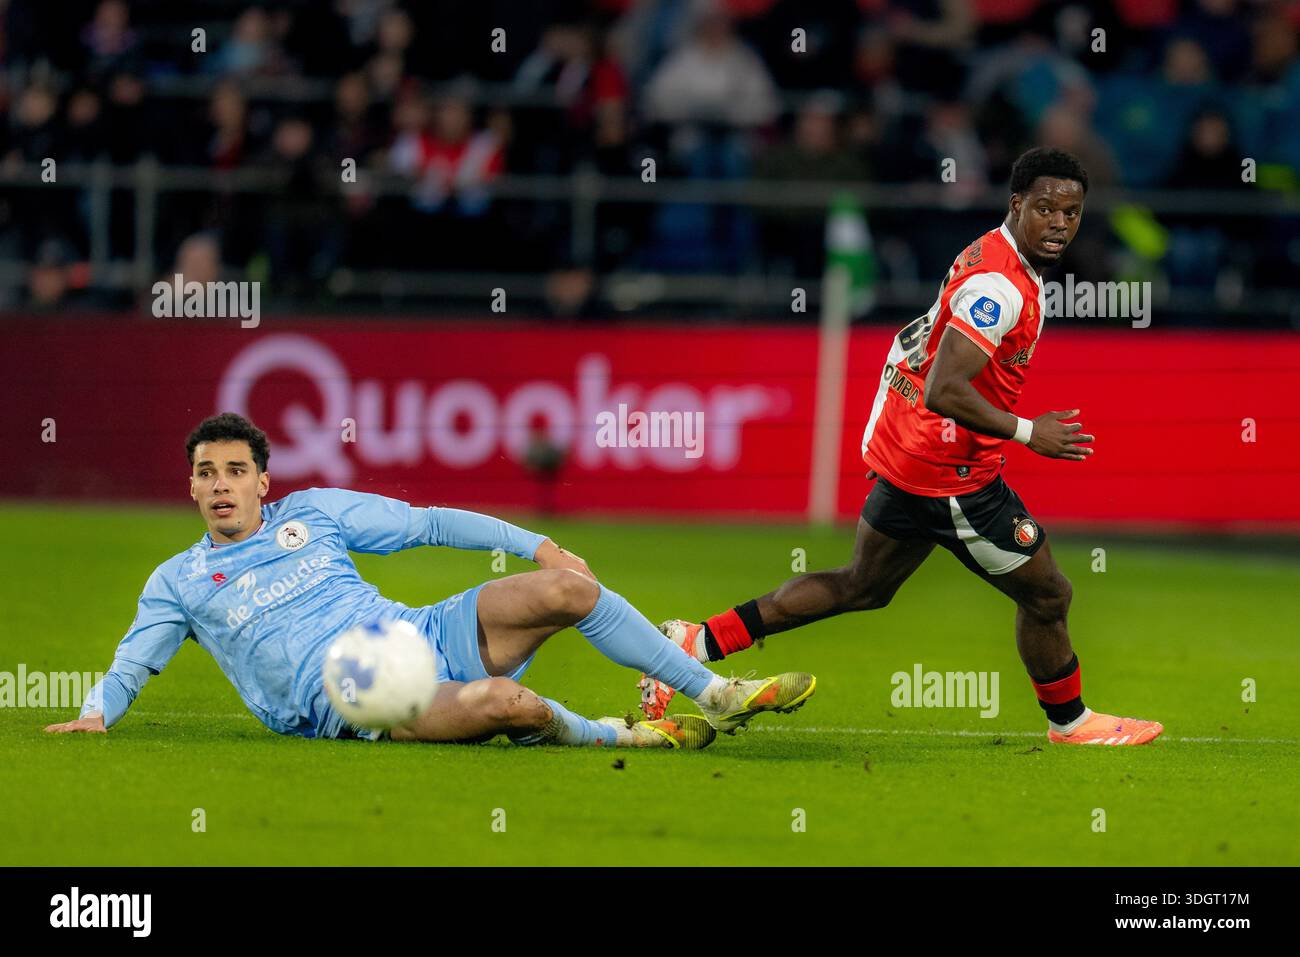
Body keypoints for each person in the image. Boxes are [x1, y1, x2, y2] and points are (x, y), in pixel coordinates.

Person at [640, 147, 1163, 747]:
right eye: (1045, 208)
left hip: (912, 451)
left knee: (863, 584)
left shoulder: (993, 252)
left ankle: (693, 641)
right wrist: (1027, 431)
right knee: (1048, 593)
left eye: (1071, 213)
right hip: (951, 473)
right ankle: (1070, 723)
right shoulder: (1000, 286)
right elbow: (945, 388)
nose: (1059, 224)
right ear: (1016, 204)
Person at [46, 414, 815, 750]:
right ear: (190, 488)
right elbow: (133, 660)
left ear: (262, 481)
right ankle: (626, 735)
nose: (221, 486)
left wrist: (540, 544)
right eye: (206, 474)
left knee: (570, 591)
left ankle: (713, 691)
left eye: (235, 472)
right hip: (363, 695)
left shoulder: (314, 512)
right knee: (509, 705)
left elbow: (429, 522)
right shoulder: (178, 580)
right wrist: (95, 712)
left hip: (418, 632)